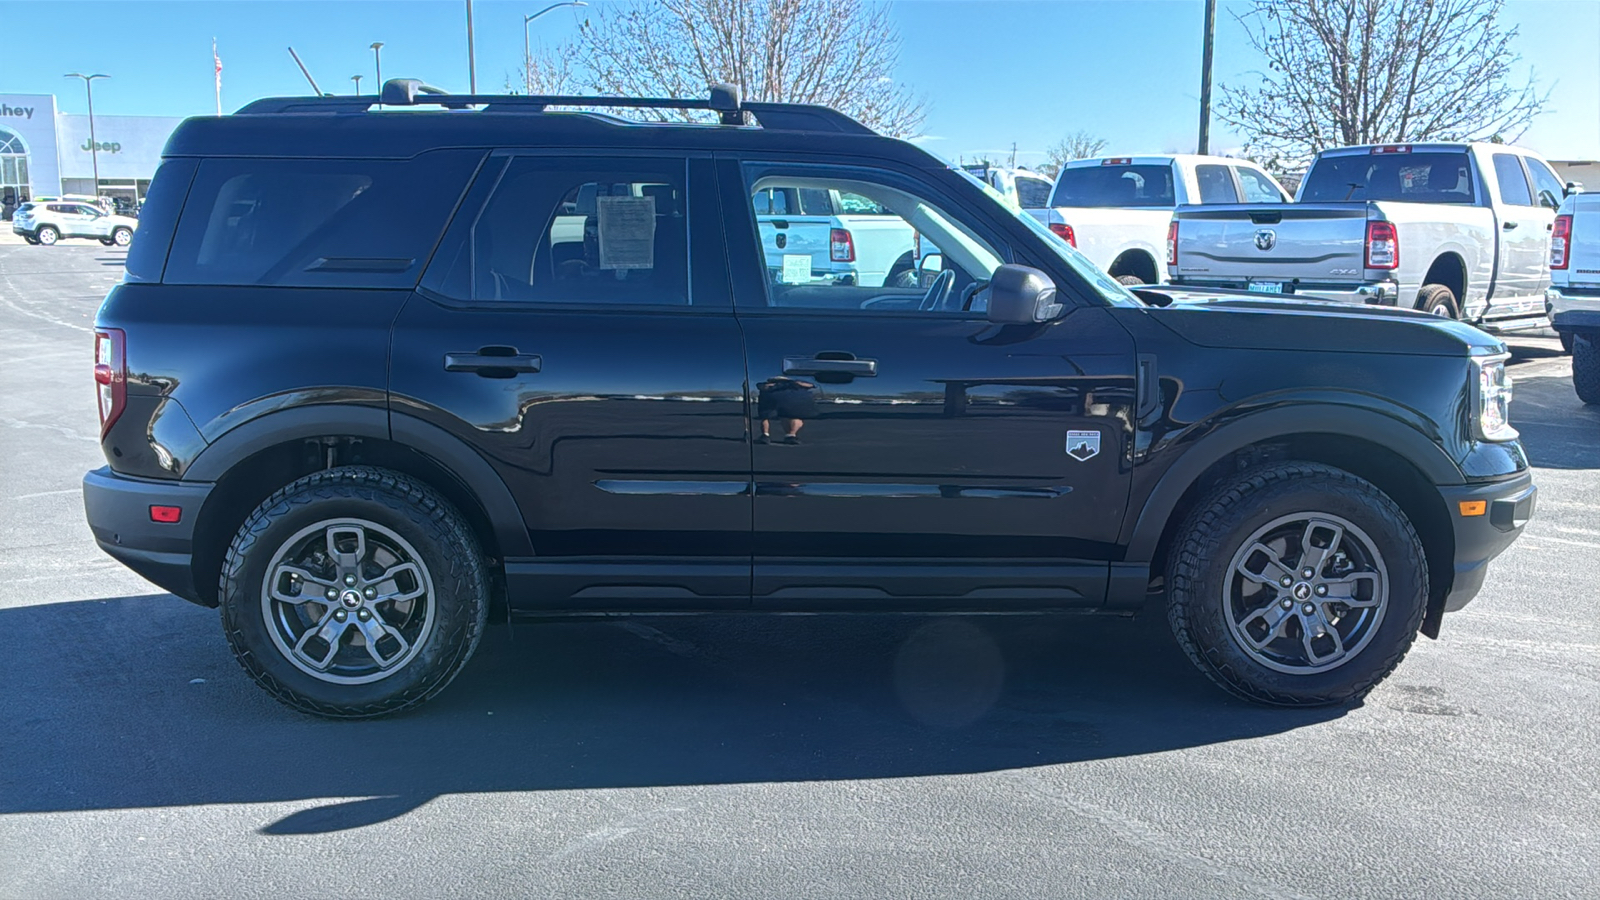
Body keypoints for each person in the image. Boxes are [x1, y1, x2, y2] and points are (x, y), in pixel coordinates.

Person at [755, 376, 817, 444]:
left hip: (772, 401)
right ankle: (791, 435)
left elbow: (759, 386)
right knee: (794, 415)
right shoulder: (793, 384)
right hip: (788, 402)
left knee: (766, 416)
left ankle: (765, 435)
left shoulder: (768, 386)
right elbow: (811, 385)